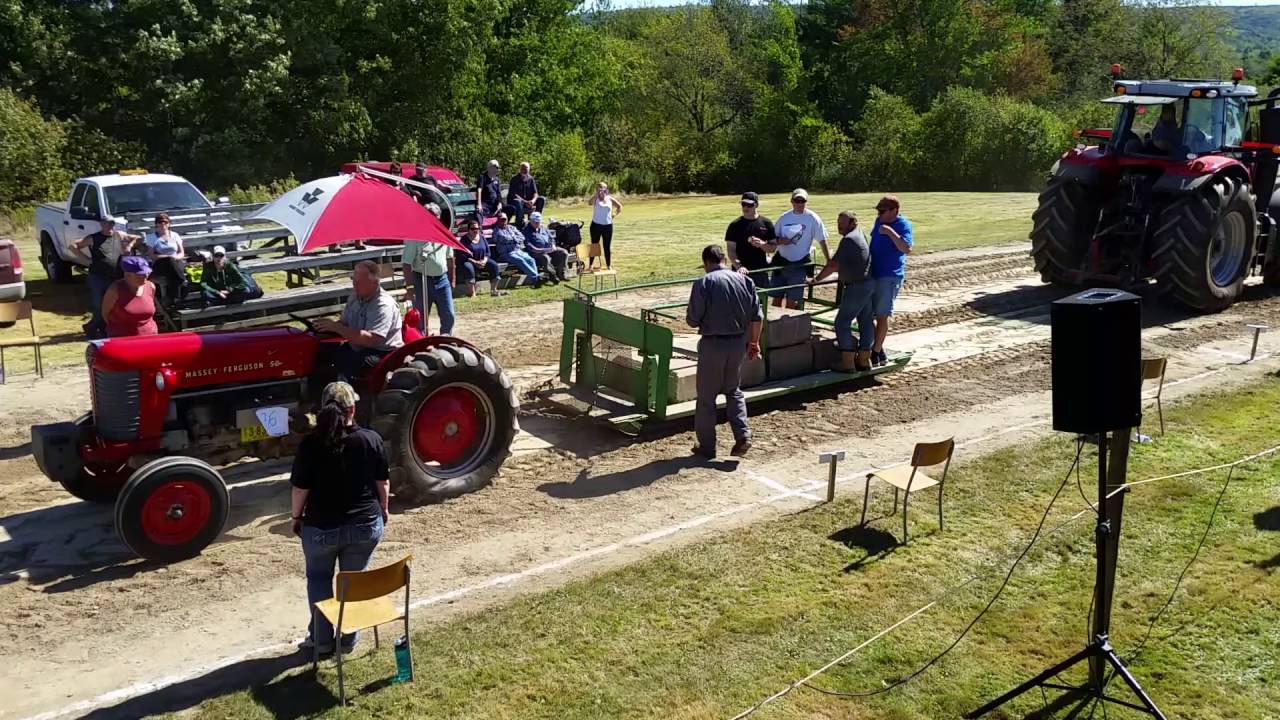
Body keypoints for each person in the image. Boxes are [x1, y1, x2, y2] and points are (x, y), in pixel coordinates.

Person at [291, 381, 390, 656]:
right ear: (353, 408)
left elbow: (300, 488)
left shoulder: (310, 445)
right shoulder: (371, 439)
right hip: (364, 526)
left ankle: (321, 640)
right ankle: (348, 639)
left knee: (319, 579)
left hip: (321, 529)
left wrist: (296, 517)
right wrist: (383, 508)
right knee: (352, 580)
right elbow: (383, 482)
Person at [686, 245, 763, 460]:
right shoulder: (745, 280)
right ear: (723, 259)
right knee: (733, 390)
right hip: (738, 342)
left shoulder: (704, 283)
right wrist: (754, 342)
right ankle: (743, 434)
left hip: (713, 344)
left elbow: (692, 320)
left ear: (706, 262)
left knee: (706, 398)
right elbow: (757, 317)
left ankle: (707, 447)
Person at [315, 260, 404, 383]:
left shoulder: (383, 305)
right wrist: (324, 328)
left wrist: (336, 327)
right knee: (318, 352)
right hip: (357, 346)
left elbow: (371, 339)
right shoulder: (354, 297)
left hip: (382, 352)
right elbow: (344, 324)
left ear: (374, 282)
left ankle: (347, 396)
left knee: (346, 362)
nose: (354, 285)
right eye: (354, 280)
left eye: (359, 282)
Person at [810, 211, 874, 372]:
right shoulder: (859, 235)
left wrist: (816, 280)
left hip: (856, 286)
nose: (839, 225)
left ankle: (847, 363)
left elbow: (833, 265)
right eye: (839, 222)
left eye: (843, 223)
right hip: (867, 284)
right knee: (865, 320)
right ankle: (865, 360)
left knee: (842, 322)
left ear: (853, 223)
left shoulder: (848, 240)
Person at [72, 216, 141, 338]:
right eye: (106, 223)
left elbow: (136, 237)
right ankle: (93, 327)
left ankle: (100, 329)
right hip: (98, 276)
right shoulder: (94, 238)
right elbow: (73, 245)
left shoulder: (118, 234)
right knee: (99, 305)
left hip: (114, 276)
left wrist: (129, 246)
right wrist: (86, 260)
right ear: (101, 224)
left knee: (111, 304)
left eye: (111, 223)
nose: (109, 226)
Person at [868, 194, 912, 367]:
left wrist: (890, 232)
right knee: (865, 313)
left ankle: (876, 352)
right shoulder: (879, 221)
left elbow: (907, 248)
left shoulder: (903, 225)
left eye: (883, 211)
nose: (879, 214)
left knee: (882, 315)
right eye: (878, 210)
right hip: (873, 273)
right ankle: (878, 348)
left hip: (889, 275)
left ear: (895, 211)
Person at [771, 188, 830, 310]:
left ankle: (789, 327)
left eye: (802, 201)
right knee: (775, 300)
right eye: (797, 200)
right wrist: (779, 241)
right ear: (791, 201)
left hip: (799, 264)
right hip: (781, 263)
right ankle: (774, 327)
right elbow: (772, 239)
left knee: (792, 302)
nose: (799, 204)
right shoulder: (784, 218)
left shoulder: (813, 218)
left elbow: (822, 240)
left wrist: (829, 261)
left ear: (806, 201)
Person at [401, 236, 456, 336]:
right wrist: (410, 287)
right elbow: (406, 263)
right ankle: (421, 340)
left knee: (449, 315)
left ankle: (445, 338)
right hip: (421, 279)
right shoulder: (415, 239)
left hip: (442, 279)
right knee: (420, 316)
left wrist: (452, 280)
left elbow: (450, 258)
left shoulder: (444, 237)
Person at [724, 192, 776, 289]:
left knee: (760, 301)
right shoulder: (735, 225)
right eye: (743, 204)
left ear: (756, 205)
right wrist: (739, 266)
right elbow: (731, 250)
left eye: (749, 205)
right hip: (740, 272)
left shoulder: (766, 223)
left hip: (760, 271)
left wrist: (762, 244)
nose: (746, 207)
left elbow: (773, 248)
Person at [103, 256, 159, 337]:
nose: (145, 277)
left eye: (146, 273)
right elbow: (105, 313)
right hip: (123, 338)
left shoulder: (150, 286)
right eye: (140, 274)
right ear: (127, 275)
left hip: (150, 335)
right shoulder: (115, 289)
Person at [144, 213, 186, 308]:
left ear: (169, 224)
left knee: (172, 264)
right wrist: (166, 256)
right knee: (169, 261)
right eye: (160, 222)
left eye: (165, 222)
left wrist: (175, 257)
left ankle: (174, 298)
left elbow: (181, 253)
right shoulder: (152, 237)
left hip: (175, 262)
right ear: (156, 224)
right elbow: (151, 255)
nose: (163, 224)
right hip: (160, 264)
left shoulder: (175, 235)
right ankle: (182, 282)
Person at [455, 219, 505, 297]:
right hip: (469, 261)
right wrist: (474, 262)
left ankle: (493, 290)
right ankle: (472, 293)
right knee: (468, 268)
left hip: (482, 261)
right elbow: (461, 255)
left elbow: (488, 252)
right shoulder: (464, 240)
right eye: (472, 229)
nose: (475, 230)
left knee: (494, 265)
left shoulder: (482, 237)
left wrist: (484, 260)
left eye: (477, 228)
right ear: (468, 230)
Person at [491, 212, 540, 286]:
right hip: (506, 253)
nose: (503, 221)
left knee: (530, 259)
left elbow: (522, 237)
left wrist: (512, 239)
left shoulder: (512, 228)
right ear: (498, 220)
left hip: (517, 251)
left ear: (507, 220)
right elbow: (499, 239)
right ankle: (536, 278)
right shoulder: (496, 230)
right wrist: (514, 239)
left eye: (505, 219)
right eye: (501, 220)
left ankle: (535, 280)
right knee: (520, 260)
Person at [523, 212, 568, 282]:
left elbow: (551, 238)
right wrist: (544, 250)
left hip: (549, 249)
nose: (538, 223)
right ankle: (553, 275)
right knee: (545, 257)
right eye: (535, 222)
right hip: (537, 252)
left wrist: (553, 245)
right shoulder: (526, 231)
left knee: (563, 252)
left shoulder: (543, 228)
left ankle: (561, 274)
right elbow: (530, 247)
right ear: (530, 221)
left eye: (539, 221)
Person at [587, 181, 622, 271]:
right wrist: (596, 194)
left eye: (603, 188)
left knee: (607, 246)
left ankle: (608, 265)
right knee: (594, 245)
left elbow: (619, 206)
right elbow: (589, 203)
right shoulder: (595, 199)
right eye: (599, 188)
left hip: (607, 226)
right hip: (596, 226)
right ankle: (590, 265)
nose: (601, 190)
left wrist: (614, 215)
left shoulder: (610, 198)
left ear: (606, 189)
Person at [506, 162, 545, 226]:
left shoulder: (531, 179)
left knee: (541, 199)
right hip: (516, 202)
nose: (525, 171)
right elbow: (513, 194)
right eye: (523, 169)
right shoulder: (514, 179)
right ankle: (520, 224)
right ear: (520, 169)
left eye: (526, 170)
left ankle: (536, 220)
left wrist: (532, 201)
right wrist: (525, 202)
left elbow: (535, 193)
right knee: (518, 202)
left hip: (528, 202)